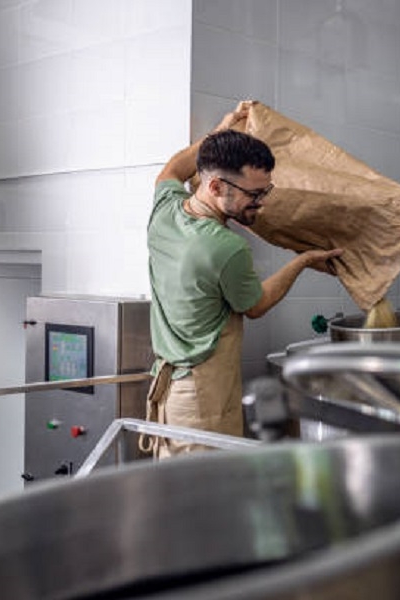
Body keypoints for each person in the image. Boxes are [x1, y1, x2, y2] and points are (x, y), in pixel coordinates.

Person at [143, 102, 343, 457]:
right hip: (202, 402)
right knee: (207, 501)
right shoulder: (225, 247)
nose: (262, 205)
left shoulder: (165, 211)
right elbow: (256, 305)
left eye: (265, 191)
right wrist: (304, 261)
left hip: (171, 391)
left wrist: (217, 136)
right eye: (254, 195)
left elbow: (173, 169)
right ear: (217, 186)